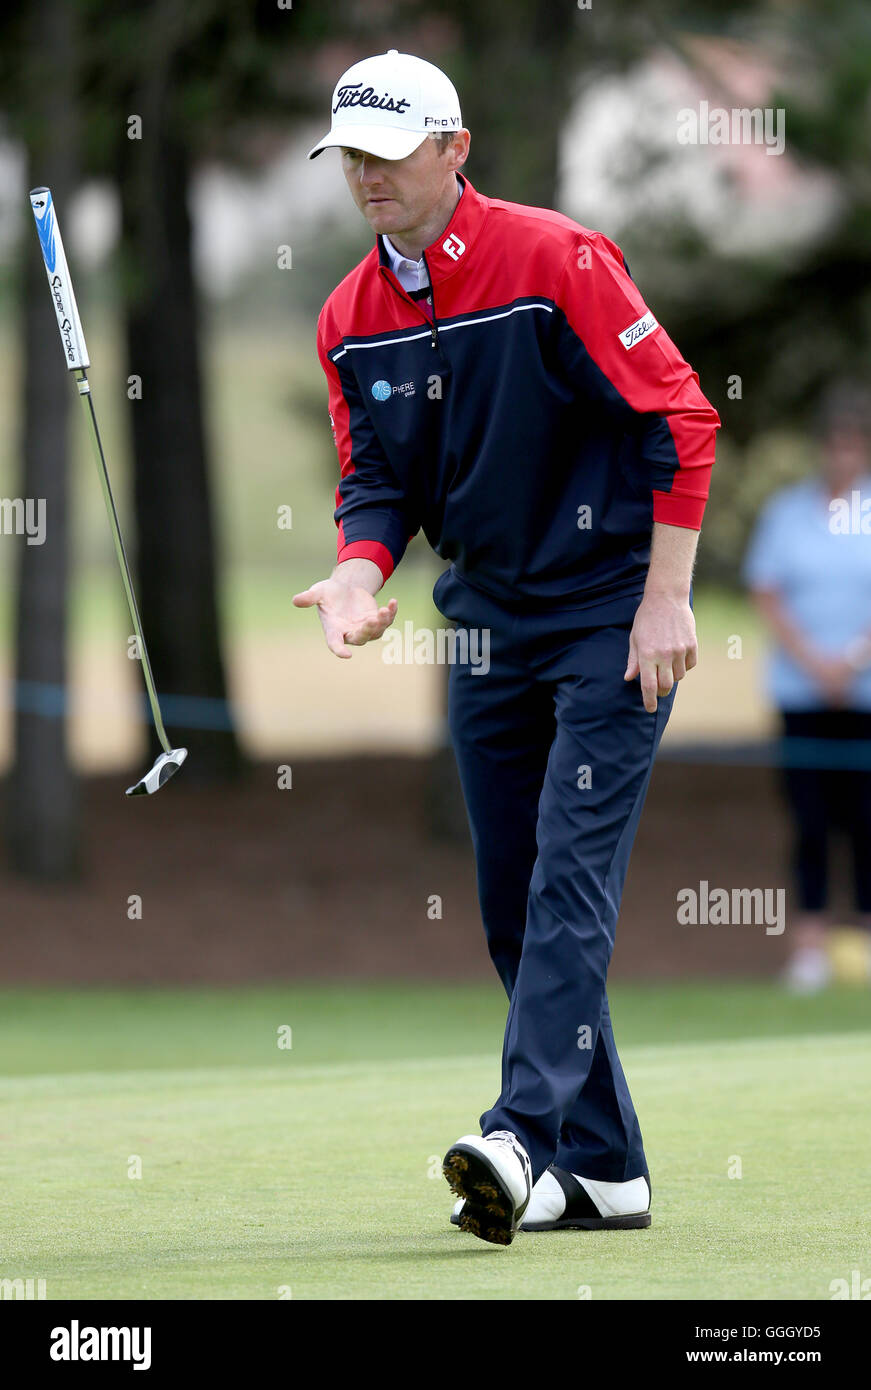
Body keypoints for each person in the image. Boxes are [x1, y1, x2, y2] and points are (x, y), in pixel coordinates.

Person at [296, 50, 720, 1244]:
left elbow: (681, 418)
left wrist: (664, 596)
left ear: (453, 147)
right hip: (485, 632)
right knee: (505, 904)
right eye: (351, 156)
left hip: (609, 618)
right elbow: (374, 482)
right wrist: (352, 574)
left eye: (389, 150)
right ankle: (609, 1167)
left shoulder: (555, 261)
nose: (367, 174)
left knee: (566, 882)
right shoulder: (348, 317)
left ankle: (519, 1136)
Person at [744, 383, 871, 993]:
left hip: (864, 695)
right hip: (801, 694)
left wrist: (851, 660)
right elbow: (768, 592)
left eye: (855, 445)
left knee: (867, 820)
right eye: (835, 444)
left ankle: (864, 942)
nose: (843, 456)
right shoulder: (787, 512)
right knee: (812, 821)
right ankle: (811, 948)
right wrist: (817, 664)